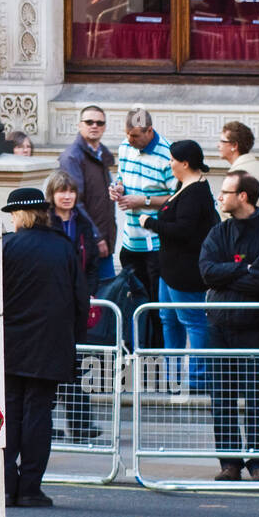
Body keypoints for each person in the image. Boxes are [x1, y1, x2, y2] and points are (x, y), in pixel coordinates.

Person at [1, 187, 89, 507]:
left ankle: (8, 486)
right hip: (49, 343)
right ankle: (30, 488)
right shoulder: (62, 247)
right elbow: (81, 298)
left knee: (10, 411)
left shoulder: (6, 246)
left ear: (20, 215)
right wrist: (71, 334)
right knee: (38, 413)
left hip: (10, 342)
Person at [199, 171, 259, 482]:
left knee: (257, 396)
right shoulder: (219, 231)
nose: (220, 196)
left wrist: (229, 273)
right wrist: (243, 267)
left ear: (243, 196)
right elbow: (206, 270)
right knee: (222, 395)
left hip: (253, 326)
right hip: (219, 324)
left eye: (226, 191)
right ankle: (229, 462)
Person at [137, 140, 218, 391]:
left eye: (172, 160)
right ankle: (173, 378)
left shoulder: (196, 192)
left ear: (185, 163)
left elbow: (183, 230)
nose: (169, 163)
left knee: (193, 322)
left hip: (185, 274)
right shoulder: (183, 185)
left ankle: (197, 379)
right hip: (169, 272)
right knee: (169, 321)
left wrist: (149, 223)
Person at [110, 108, 177, 347]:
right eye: (127, 135)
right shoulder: (125, 146)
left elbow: (176, 197)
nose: (130, 140)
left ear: (150, 131)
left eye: (136, 136)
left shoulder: (168, 154)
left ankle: (157, 361)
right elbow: (121, 177)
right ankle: (134, 354)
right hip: (130, 241)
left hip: (156, 245)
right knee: (130, 305)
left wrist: (143, 201)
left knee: (155, 309)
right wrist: (117, 188)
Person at [45, 170, 101, 441]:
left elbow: (91, 264)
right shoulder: (46, 222)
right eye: (61, 191)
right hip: (52, 304)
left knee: (78, 366)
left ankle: (80, 424)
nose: (66, 196)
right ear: (52, 195)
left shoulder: (82, 223)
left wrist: (88, 293)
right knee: (53, 367)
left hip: (77, 304)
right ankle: (46, 422)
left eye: (71, 191)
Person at [58, 105, 117, 280]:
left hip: (104, 238)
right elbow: (74, 201)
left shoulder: (102, 154)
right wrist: (96, 237)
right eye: (89, 122)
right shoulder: (72, 157)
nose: (94, 126)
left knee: (107, 296)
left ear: (105, 127)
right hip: (85, 241)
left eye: (99, 123)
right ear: (79, 125)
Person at [217, 120, 259, 219]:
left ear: (234, 146)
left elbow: (231, 215)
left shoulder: (239, 175)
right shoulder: (258, 167)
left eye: (222, 141)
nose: (218, 145)